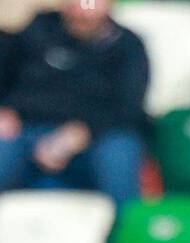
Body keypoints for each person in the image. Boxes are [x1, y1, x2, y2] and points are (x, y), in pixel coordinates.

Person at [0, 0, 149, 206]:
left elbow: (128, 107)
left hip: (95, 135)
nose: (82, 9)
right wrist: (4, 111)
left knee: (119, 150)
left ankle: (126, 229)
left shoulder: (128, 45)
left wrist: (81, 133)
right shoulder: (35, 29)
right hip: (26, 129)